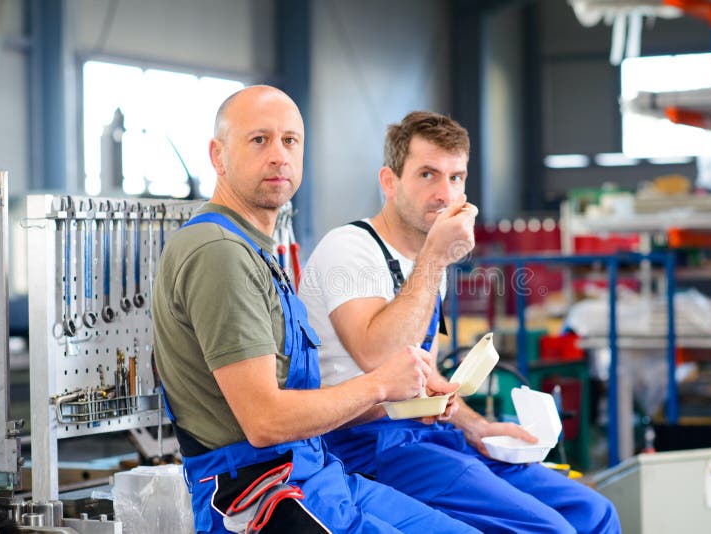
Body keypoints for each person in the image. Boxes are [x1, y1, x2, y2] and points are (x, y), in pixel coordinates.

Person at [152, 87, 478, 534]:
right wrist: (380, 384)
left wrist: (399, 396)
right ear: (218, 154)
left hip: (313, 471)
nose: (279, 156)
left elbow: (302, 402)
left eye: (290, 141)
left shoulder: (259, 252)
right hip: (260, 495)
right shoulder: (219, 252)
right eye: (258, 140)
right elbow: (265, 422)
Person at [299, 111, 622, 534]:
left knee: (594, 514)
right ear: (389, 181)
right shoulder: (351, 249)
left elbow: (423, 372)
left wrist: (478, 427)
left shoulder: (428, 262)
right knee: (552, 530)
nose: (444, 193)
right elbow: (377, 355)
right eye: (428, 175)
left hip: (429, 439)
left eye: (456, 178)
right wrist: (435, 257)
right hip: (367, 446)